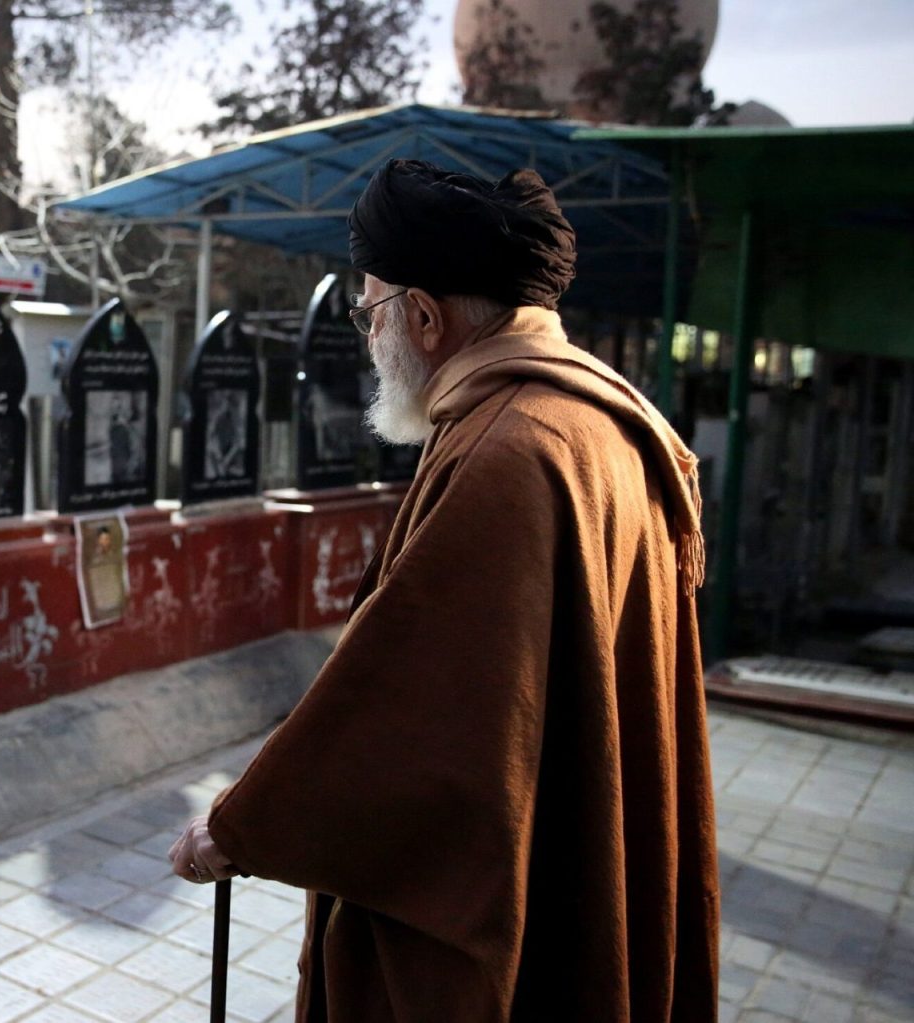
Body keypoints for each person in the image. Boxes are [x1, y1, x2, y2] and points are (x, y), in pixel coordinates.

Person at [170, 159, 719, 1022]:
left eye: (368, 309)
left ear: (421, 317)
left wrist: (243, 828)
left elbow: (417, 723)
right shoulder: (601, 424)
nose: (364, 332)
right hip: (569, 865)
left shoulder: (509, 448)